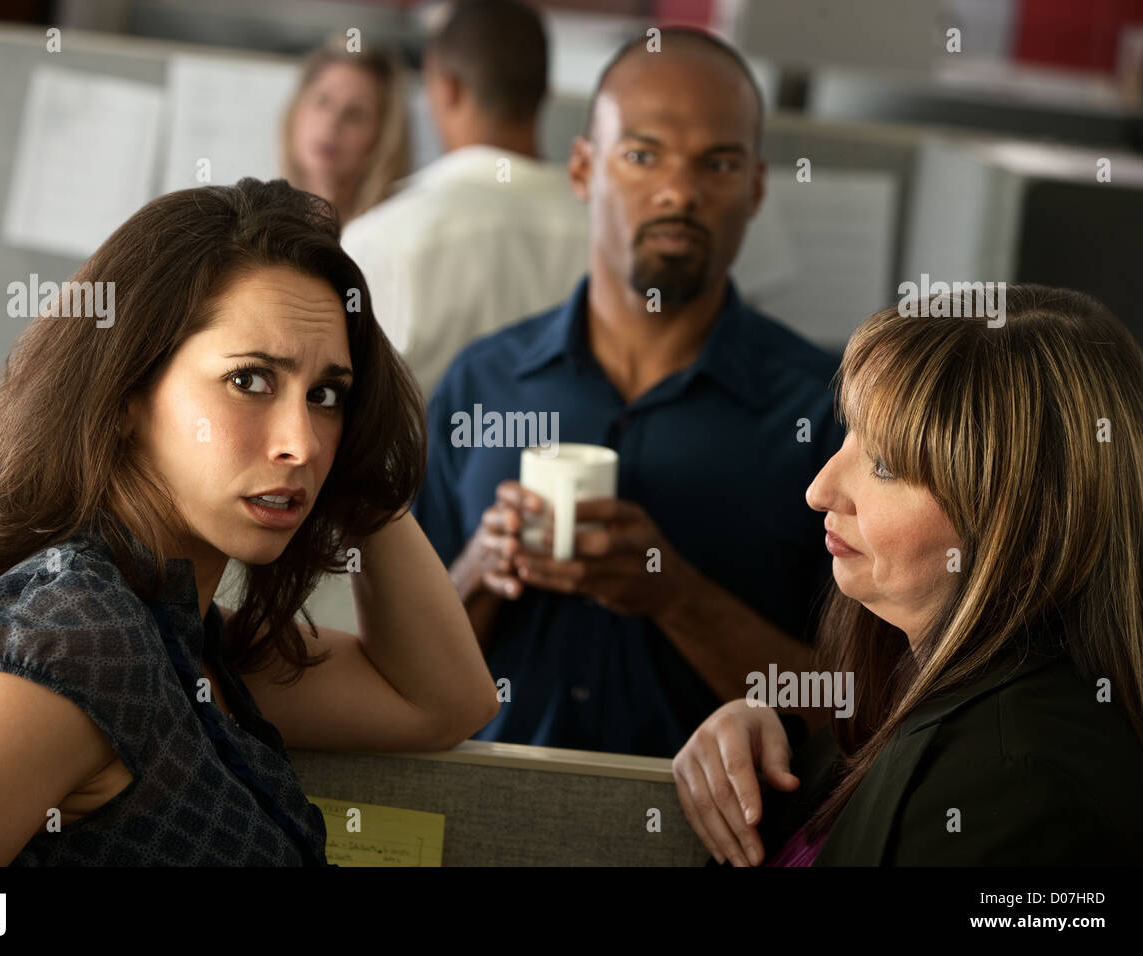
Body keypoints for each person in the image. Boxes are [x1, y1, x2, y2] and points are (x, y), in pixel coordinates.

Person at [0, 178, 498, 866]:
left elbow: (443, 702)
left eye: (326, 395)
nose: (303, 443)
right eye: (250, 380)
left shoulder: (182, 644)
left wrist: (362, 465)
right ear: (127, 393)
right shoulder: (65, 652)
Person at [412, 28, 844, 759]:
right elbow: (397, 668)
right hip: (484, 821)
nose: (679, 191)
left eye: (718, 162)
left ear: (757, 188)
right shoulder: (481, 383)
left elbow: (853, 704)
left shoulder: (823, 415)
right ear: (582, 169)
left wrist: (675, 596)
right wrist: (479, 572)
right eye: (642, 155)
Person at [674, 284, 1143, 866]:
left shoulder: (1021, 783)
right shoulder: (908, 691)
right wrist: (772, 736)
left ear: (1030, 528)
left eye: (886, 465)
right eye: (849, 433)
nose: (820, 489)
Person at [341, 0, 588, 397]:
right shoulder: (605, 230)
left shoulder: (383, 238)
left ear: (447, 88)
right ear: (546, 91)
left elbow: (348, 407)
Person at [280, 36, 410, 225]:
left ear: (382, 135)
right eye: (322, 101)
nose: (332, 124)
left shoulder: (398, 233)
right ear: (296, 110)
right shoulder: (249, 227)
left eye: (355, 114)